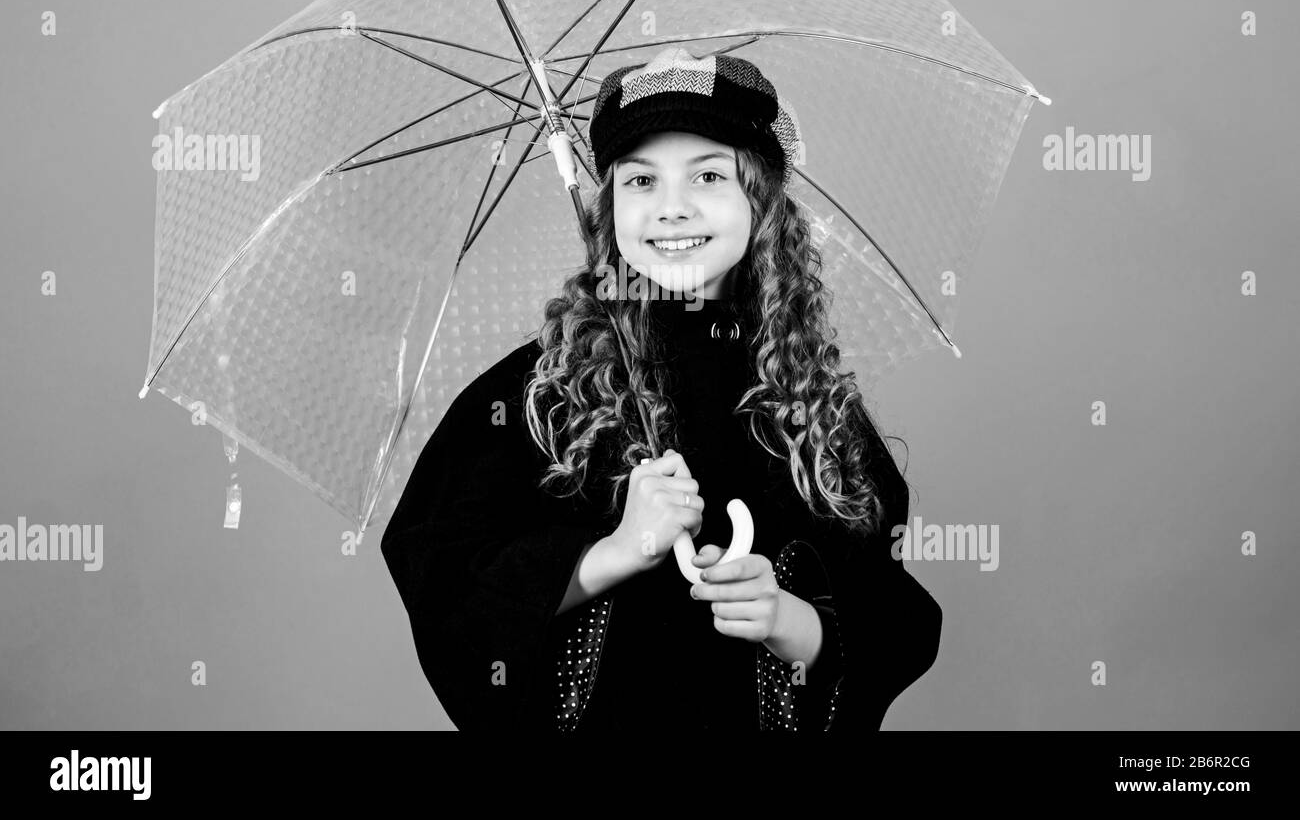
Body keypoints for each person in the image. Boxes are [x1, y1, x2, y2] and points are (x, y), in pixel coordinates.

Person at [380, 46, 942, 732]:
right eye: (641, 181)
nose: (672, 209)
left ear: (761, 201)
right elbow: (445, 577)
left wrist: (788, 620)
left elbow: (894, 617)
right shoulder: (539, 395)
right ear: (609, 206)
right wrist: (613, 553)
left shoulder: (810, 399)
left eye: (708, 175)